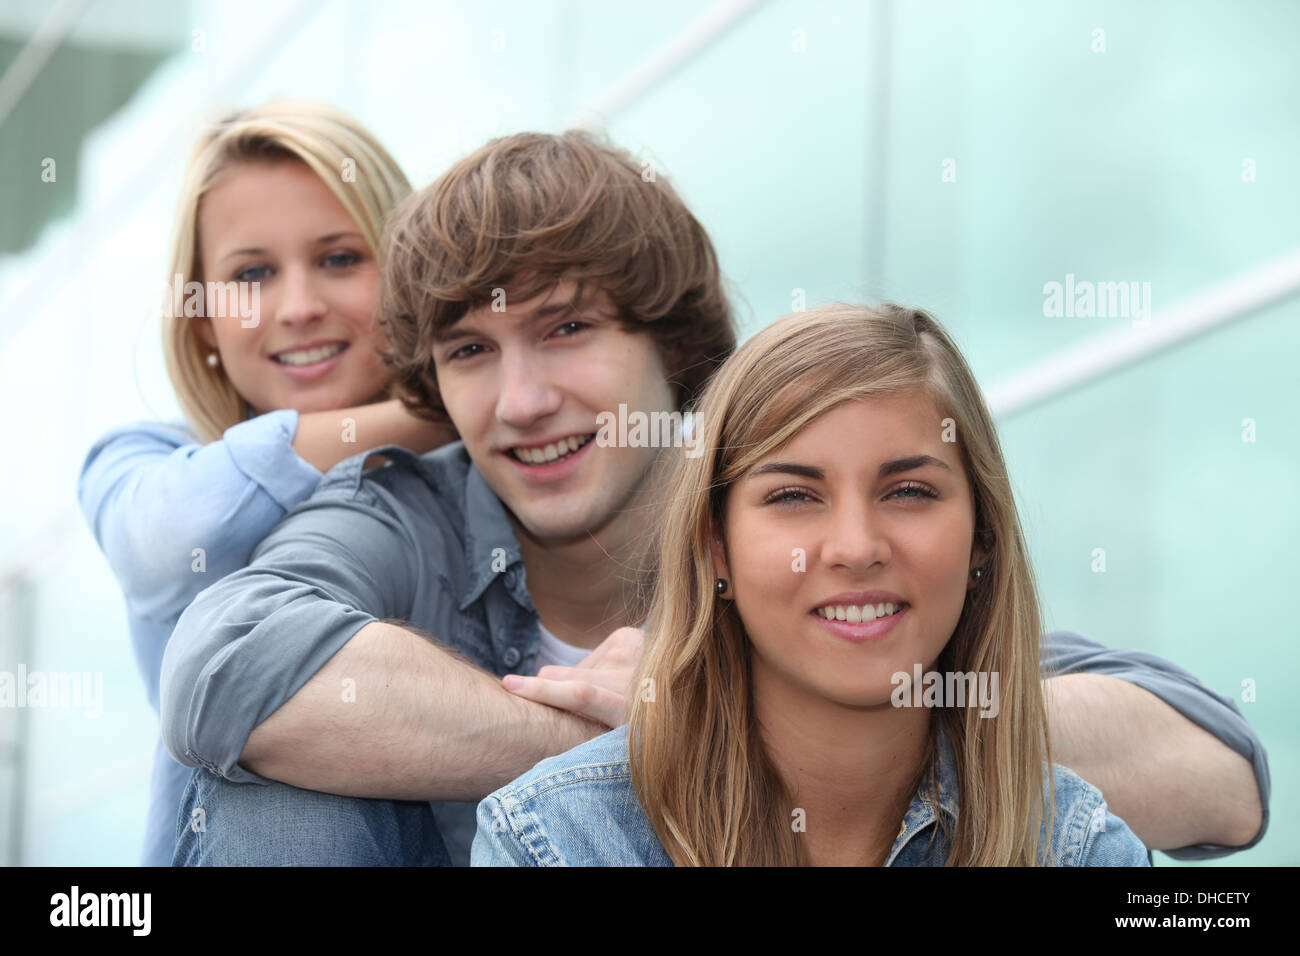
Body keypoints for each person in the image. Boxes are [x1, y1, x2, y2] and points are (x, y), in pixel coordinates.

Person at [161, 130, 1267, 867]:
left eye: (567, 327)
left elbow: (1217, 776)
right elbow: (223, 670)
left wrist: (787, 715)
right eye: (470, 351)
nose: (525, 398)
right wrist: (665, 737)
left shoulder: (783, 519)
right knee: (277, 797)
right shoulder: (401, 515)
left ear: (670, 346)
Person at [472, 303, 1150, 865]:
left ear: (982, 538)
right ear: (716, 546)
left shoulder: (1082, 849)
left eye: (909, 491)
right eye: (795, 496)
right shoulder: (555, 841)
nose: (856, 548)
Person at [77, 100, 454, 866]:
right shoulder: (140, 461)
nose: (300, 306)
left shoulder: (500, 476)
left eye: (341, 258)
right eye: (252, 274)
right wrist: (446, 410)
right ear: (203, 318)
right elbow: (177, 534)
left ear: (410, 273)